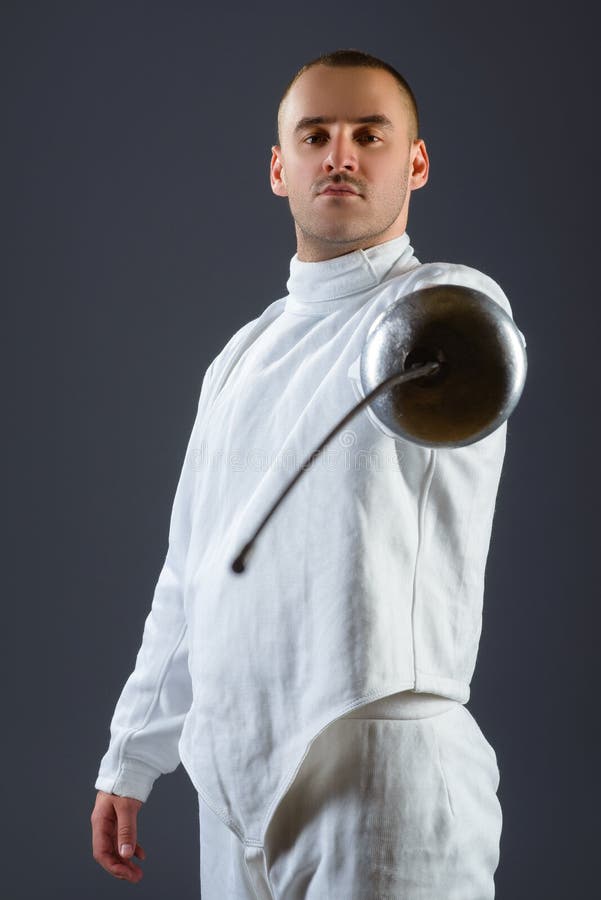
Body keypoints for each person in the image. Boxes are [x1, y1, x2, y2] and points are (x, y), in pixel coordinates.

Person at [91, 48, 525, 898]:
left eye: (369, 134)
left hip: (382, 766)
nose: (340, 155)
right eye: (315, 135)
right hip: (233, 782)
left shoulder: (442, 307)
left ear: (415, 163)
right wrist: (131, 755)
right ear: (278, 168)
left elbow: (479, 342)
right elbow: (191, 573)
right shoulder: (239, 357)